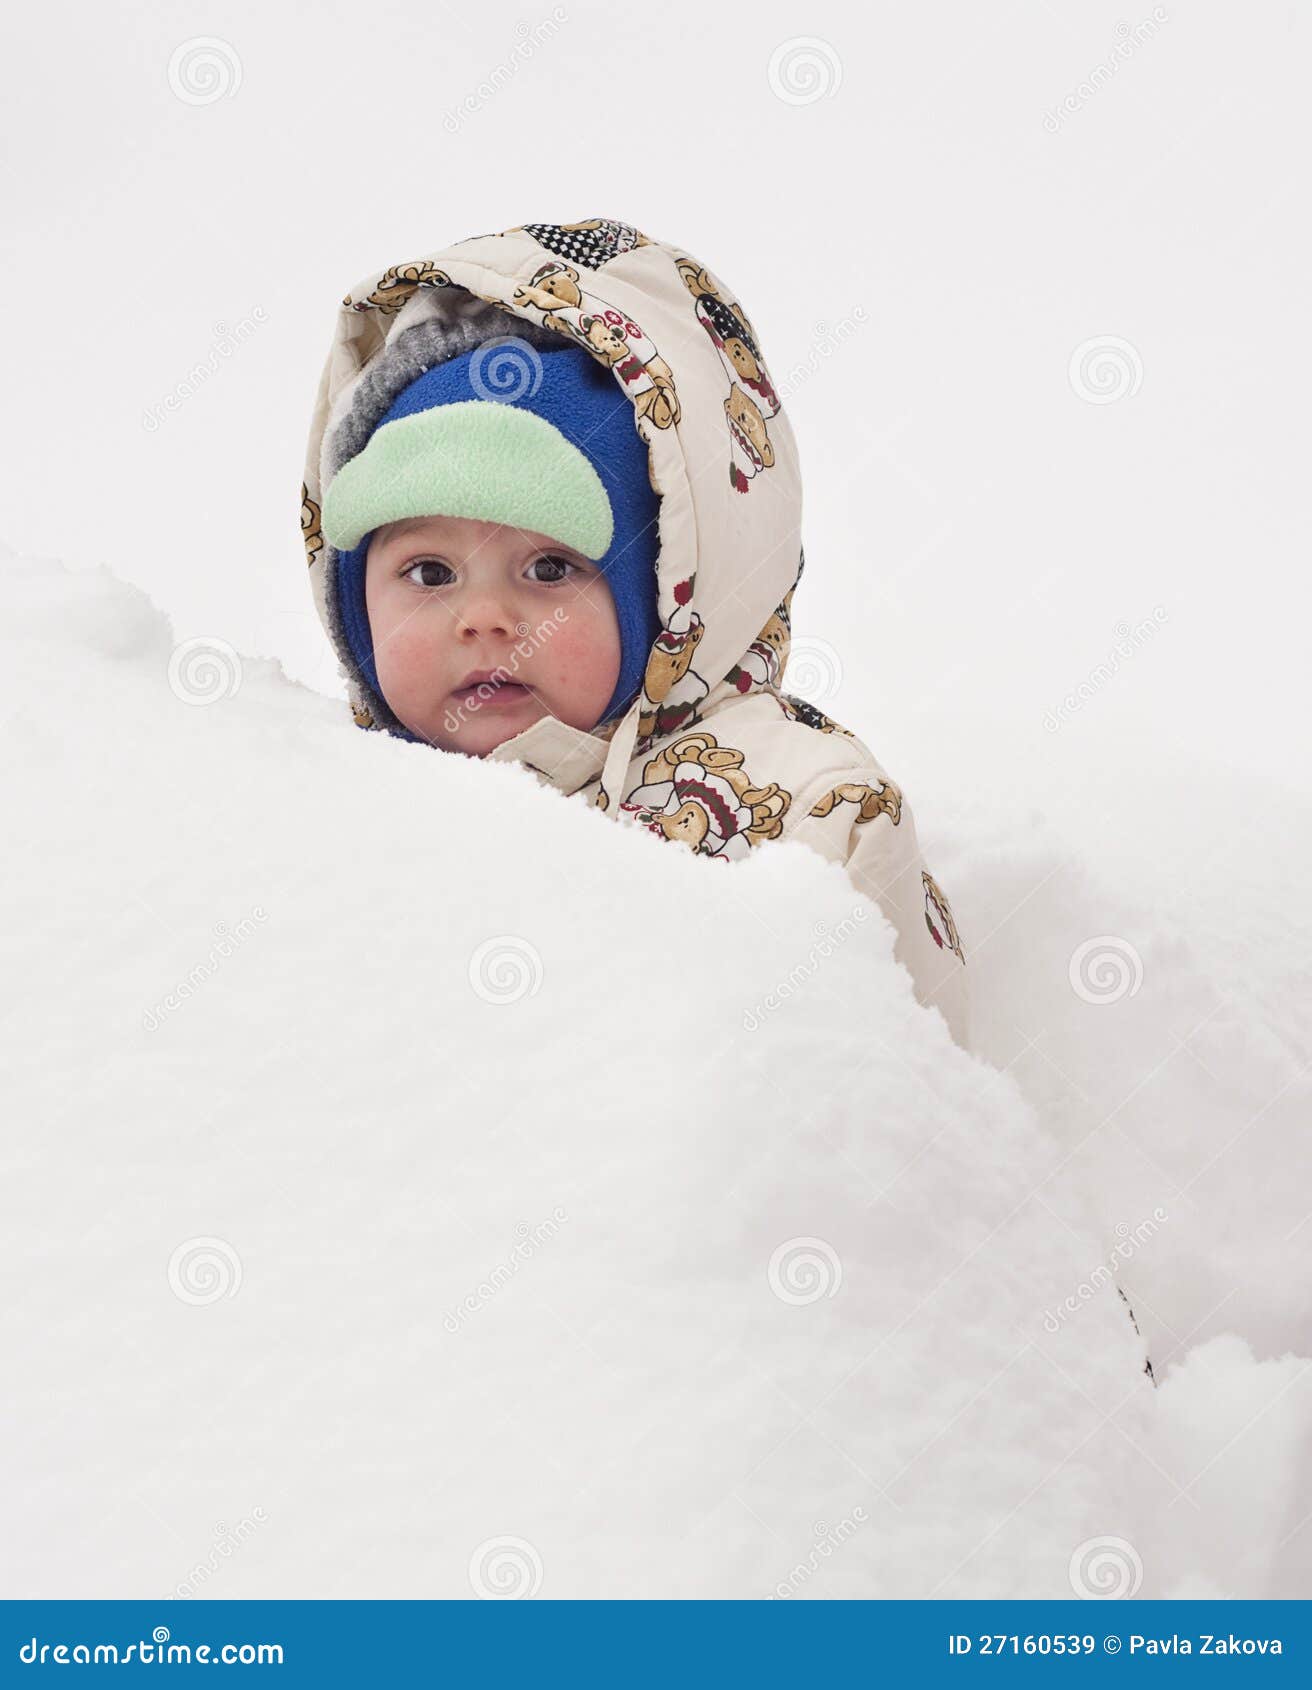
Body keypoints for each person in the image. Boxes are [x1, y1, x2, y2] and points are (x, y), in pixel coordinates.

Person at [300, 218, 969, 1048]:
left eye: (548, 569)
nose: (483, 619)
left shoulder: (813, 818)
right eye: (430, 574)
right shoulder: (316, 800)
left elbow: (918, 1111)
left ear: (668, 592)